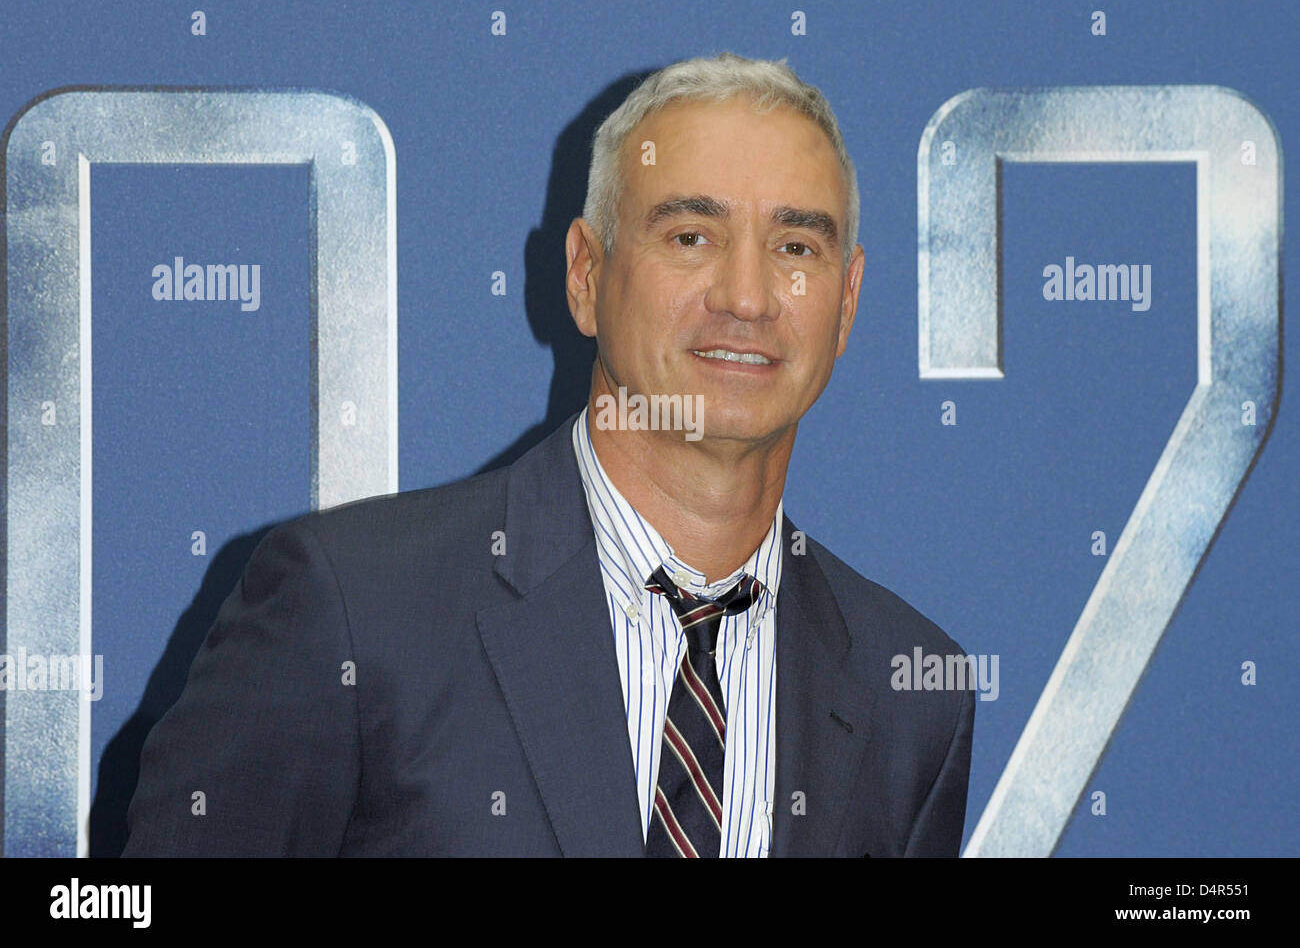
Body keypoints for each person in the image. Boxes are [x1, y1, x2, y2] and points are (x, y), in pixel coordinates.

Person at [123, 52, 974, 858]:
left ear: (848, 302)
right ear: (584, 274)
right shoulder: (351, 612)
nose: (745, 297)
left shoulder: (908, 697)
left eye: (796, 248)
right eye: (690, 236)